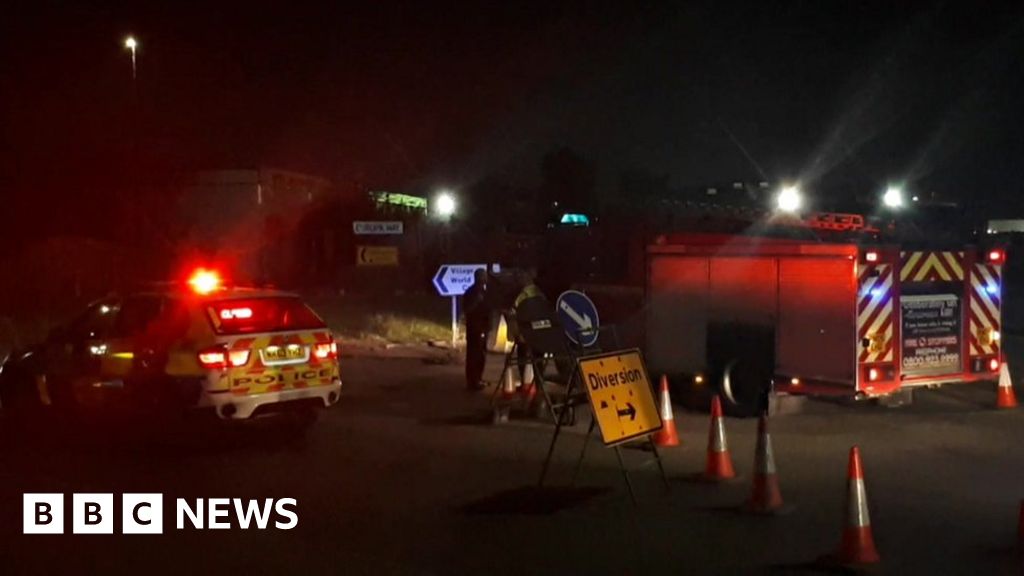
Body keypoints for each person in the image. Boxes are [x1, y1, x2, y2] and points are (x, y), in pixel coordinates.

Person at [463, 268, 490, 390]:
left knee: (481, 354)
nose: (485, 279)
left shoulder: (485, 292)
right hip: (475, 328)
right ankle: (473, 381)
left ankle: (478, 378)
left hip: (483, 327)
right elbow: (467, 310)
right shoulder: (471, 293)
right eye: (483, 277)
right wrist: (476, 301)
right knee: (474, 354)